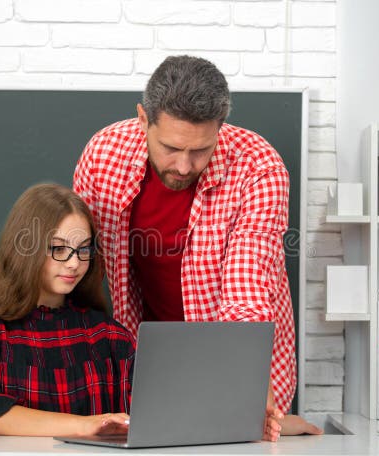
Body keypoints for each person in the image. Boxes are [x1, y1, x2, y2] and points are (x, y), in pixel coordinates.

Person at [73, 55, 321, 437]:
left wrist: (245, 381)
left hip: (235, 356)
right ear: (143, 119)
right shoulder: (104, 156)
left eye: (200, 150)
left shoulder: (259, 168)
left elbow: (246, 293)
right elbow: (78, 265)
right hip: (144, 357)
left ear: (220, 127)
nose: (184, 166)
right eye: (171, 147)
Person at [0, 183, 134, 437]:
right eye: (58, 248)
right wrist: (85, 425)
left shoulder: (111, 336)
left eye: (83, 249)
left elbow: (149, 415)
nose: (74, 263)